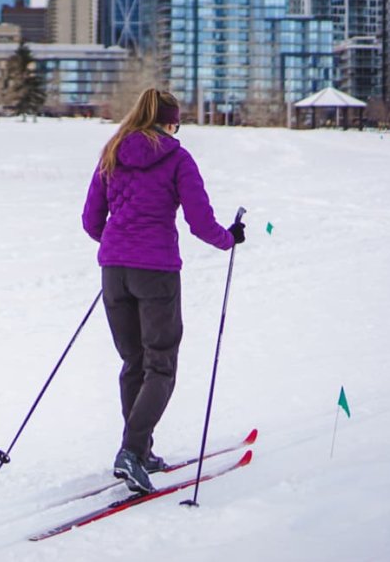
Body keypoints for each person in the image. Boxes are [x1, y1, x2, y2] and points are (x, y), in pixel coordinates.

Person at [81, 88, 245, 494]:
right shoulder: (176, 157)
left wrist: (118, 244)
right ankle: (132, 452)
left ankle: (141, 449)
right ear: (170, 121)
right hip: (155, 273)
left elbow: (90, 220)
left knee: (133, 362)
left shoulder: (113, 150)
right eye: (177, 122)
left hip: (114, 272)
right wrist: (230, 239)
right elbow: (200, 222)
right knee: (160, 366)